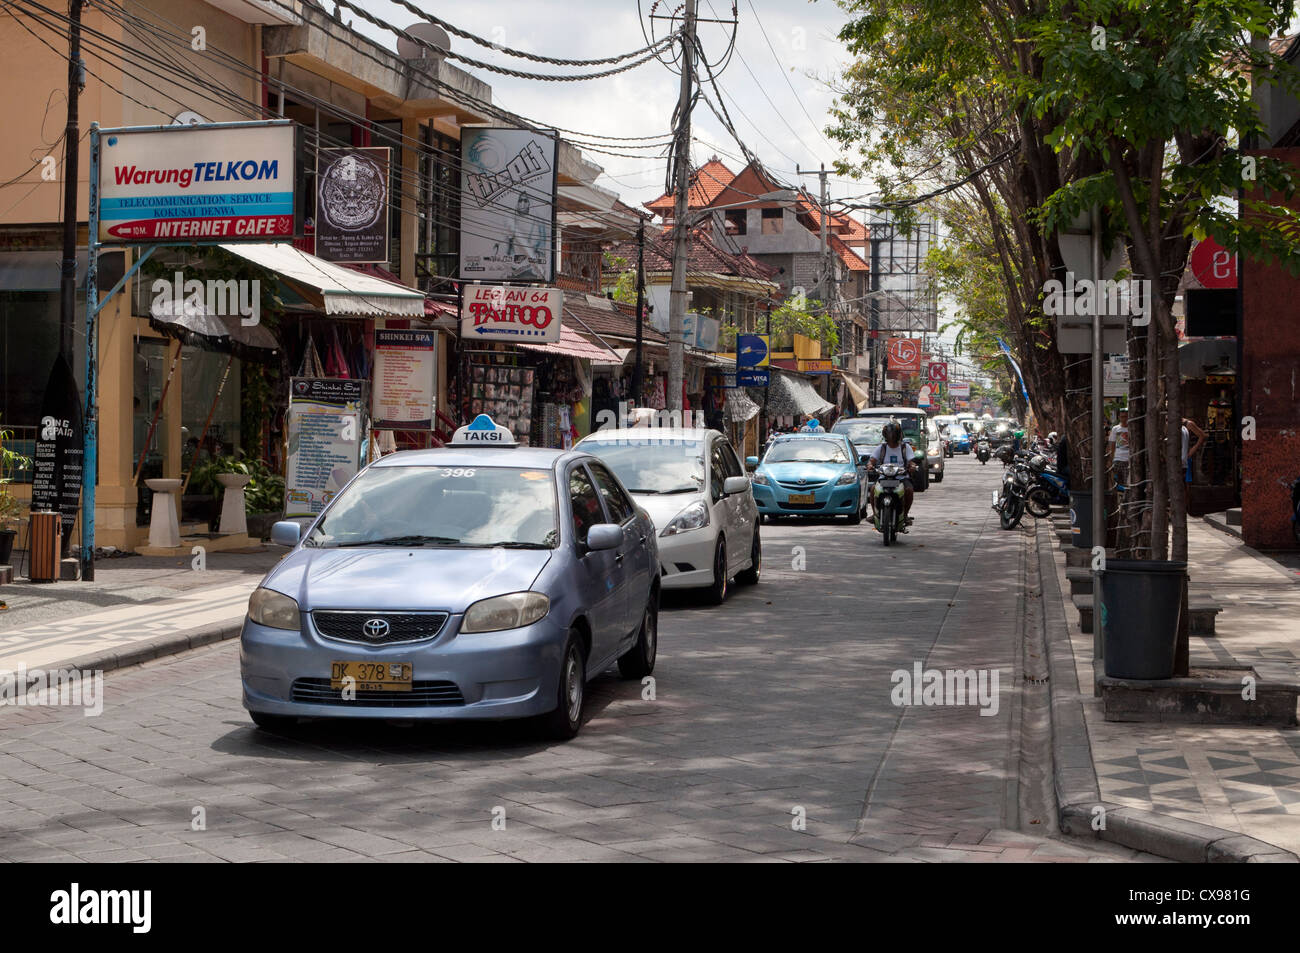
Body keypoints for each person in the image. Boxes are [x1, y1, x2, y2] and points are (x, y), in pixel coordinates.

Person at [866, 420, 918, 526]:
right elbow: (871, 460)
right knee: (872, 490)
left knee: (909, 490)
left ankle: (905, 515)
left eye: (893, 434)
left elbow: (911, 462)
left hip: (901, 478)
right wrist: (870, 466)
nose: (891, 436)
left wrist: (912, 466)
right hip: (884, 477)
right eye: (889, 434)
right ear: (885, 435)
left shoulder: (905, 447)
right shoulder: (881, 447)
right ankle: (875, 514)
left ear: (898, 435)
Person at [1107, 408, 1131, 488]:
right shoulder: (1115, 429)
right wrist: (1111, 459)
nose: (1124, 419)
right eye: (1122, 416)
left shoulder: (1132, 428)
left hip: (1128, 460)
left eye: (1126, 416)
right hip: (1117, 459)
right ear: (1119, 417)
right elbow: (1112, 444)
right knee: (1116, 484)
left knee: (1127, 483)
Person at [1181, 417, 1206, 483]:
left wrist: (1190, 452)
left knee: (1186, 483)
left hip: (1185, 458)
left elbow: (1202, 436)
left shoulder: (1187, 423)